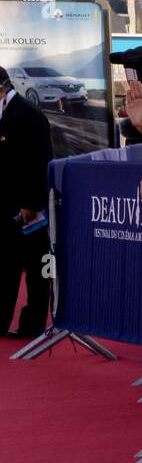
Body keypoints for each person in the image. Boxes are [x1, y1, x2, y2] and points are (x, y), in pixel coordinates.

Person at [0, 65, 54, 338]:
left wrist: (31, 203)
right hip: (6, 205)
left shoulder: (28, 115)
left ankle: (32, 326)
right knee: (6, 266)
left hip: (28, 209)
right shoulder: (4, 114)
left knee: (34, 268)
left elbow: (39, 162)